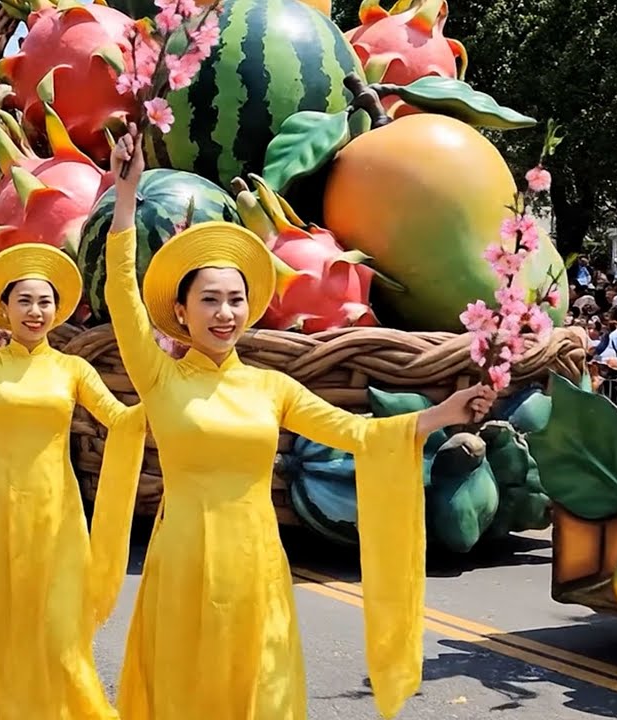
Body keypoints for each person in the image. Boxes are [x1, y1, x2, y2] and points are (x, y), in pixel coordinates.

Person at [102, 127, 495, 720]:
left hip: (257, 562)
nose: (224, 312)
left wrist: (441, 414)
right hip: (181, 559)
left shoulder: (273, 387)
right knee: (185, 685)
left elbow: (361, 434)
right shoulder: (161, 378)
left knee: (261, 686)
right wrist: (126, 201)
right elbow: (121, 300)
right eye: (209, 300)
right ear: (180, 312)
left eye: (235, 299)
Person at [0, 182, 145, 719]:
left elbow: (123, 420)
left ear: (57, 309)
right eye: (25, 301)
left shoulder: (73, 369)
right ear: (6, 308)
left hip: (58, 513)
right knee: (3, 620)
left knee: (62, 624)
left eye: (45, 302)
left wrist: (168, 405)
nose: (35, 311)